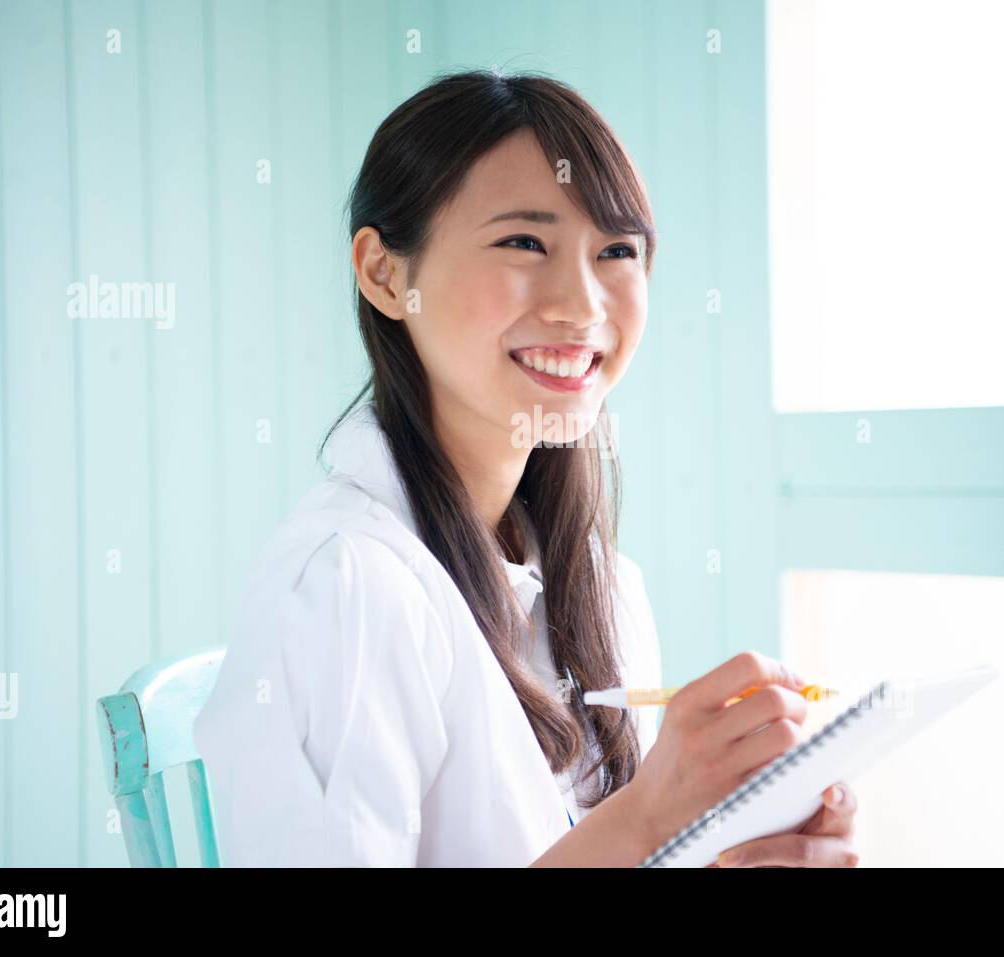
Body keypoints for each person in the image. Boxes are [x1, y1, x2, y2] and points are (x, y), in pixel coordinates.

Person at [193, 68, 858, 868]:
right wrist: (647, 818)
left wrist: (716, 856)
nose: (581, 305)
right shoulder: (347, 587)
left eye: (616, 250)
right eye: (523, 242)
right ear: (384, 274)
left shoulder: (608, 590)